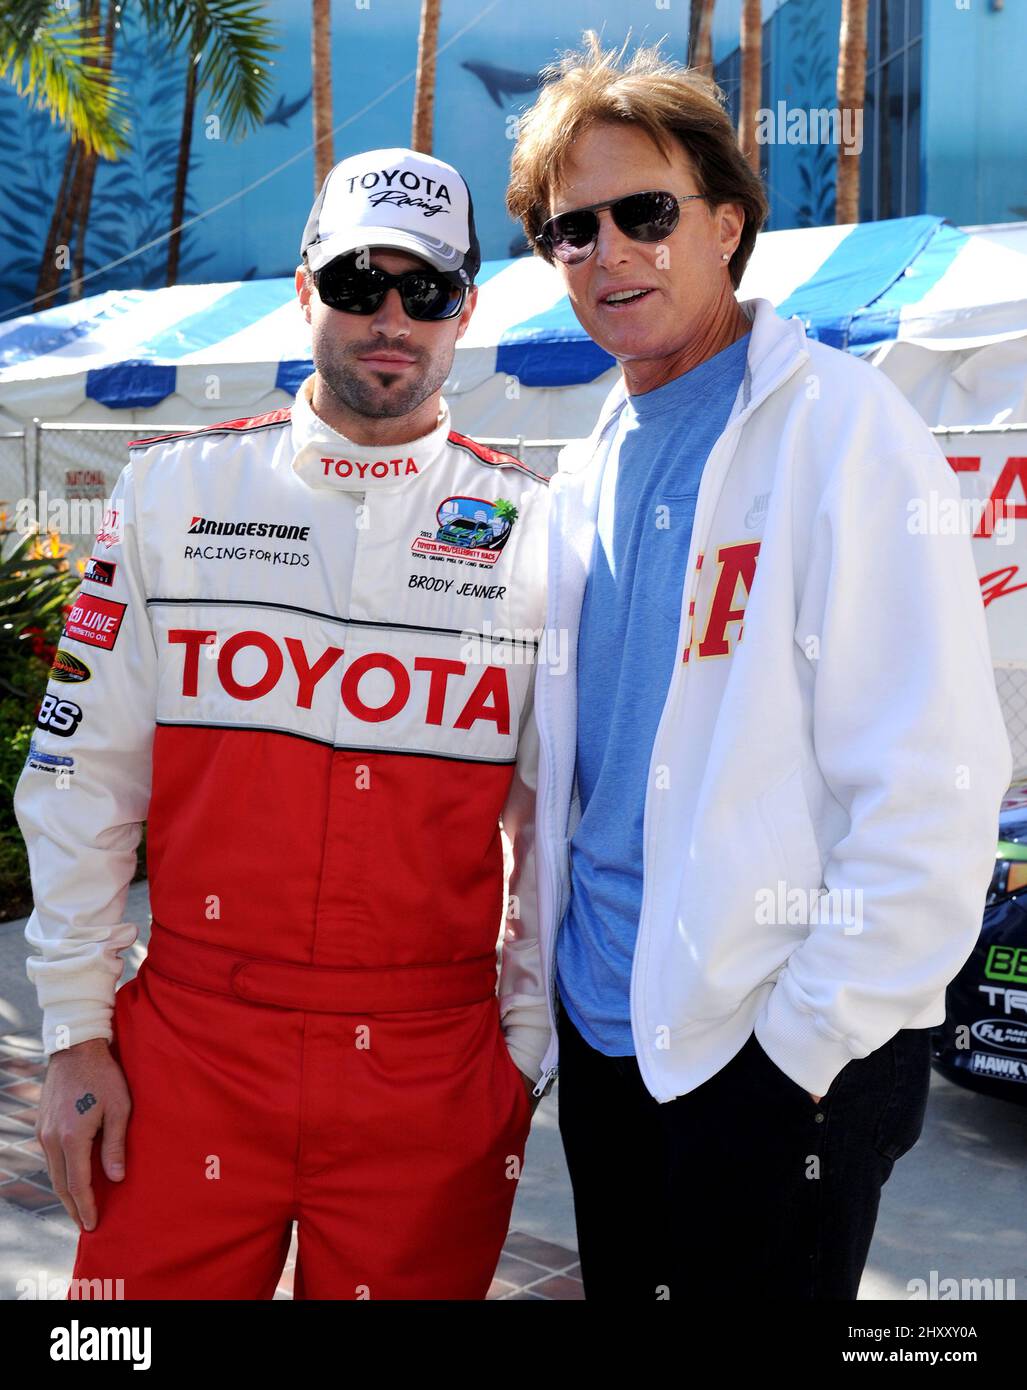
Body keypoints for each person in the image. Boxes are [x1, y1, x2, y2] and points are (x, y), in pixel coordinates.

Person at [505, 34, 1013, 1299]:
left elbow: (934, 783)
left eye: (646, 211)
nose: (611, 250)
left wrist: (799, 1049)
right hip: (611, 1030)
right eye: (573, 229)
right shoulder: (591, 461)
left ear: (727, 222)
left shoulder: (844, 432)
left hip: (781, 1046)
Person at [15, 146, 551, 1300]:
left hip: (434, 1064)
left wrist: (521, 1054)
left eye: (428, 289)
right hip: (190, 1046)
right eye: (359, 283)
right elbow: (79, 775)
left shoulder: (540, 530)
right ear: (304, 292)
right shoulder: (170, 492)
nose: (391, 316)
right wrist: (71, 1028)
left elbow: (561, 824)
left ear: (467, 307)